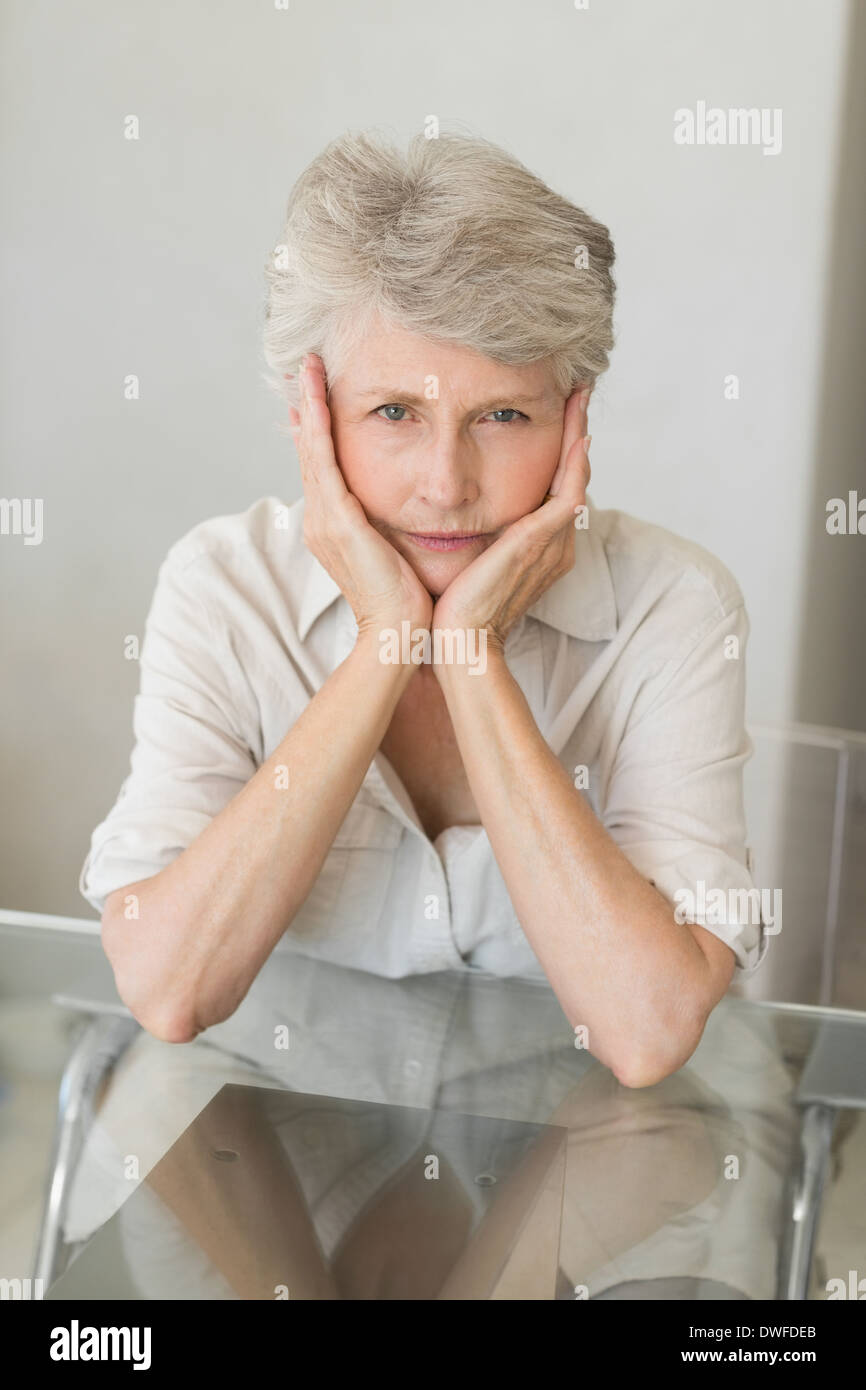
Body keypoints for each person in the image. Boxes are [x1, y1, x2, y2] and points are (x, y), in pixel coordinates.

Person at [80, 129, 768, 1089]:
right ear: (309, 418)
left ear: (577, 416)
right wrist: (386, 644)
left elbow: (645, 1034)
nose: (445, 487)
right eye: (394, 413)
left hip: (581, 1143)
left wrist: (472, 656)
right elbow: (169, 988)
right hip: (266, 1108)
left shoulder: (675, 608)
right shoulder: (221, 588)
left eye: (503, 416)